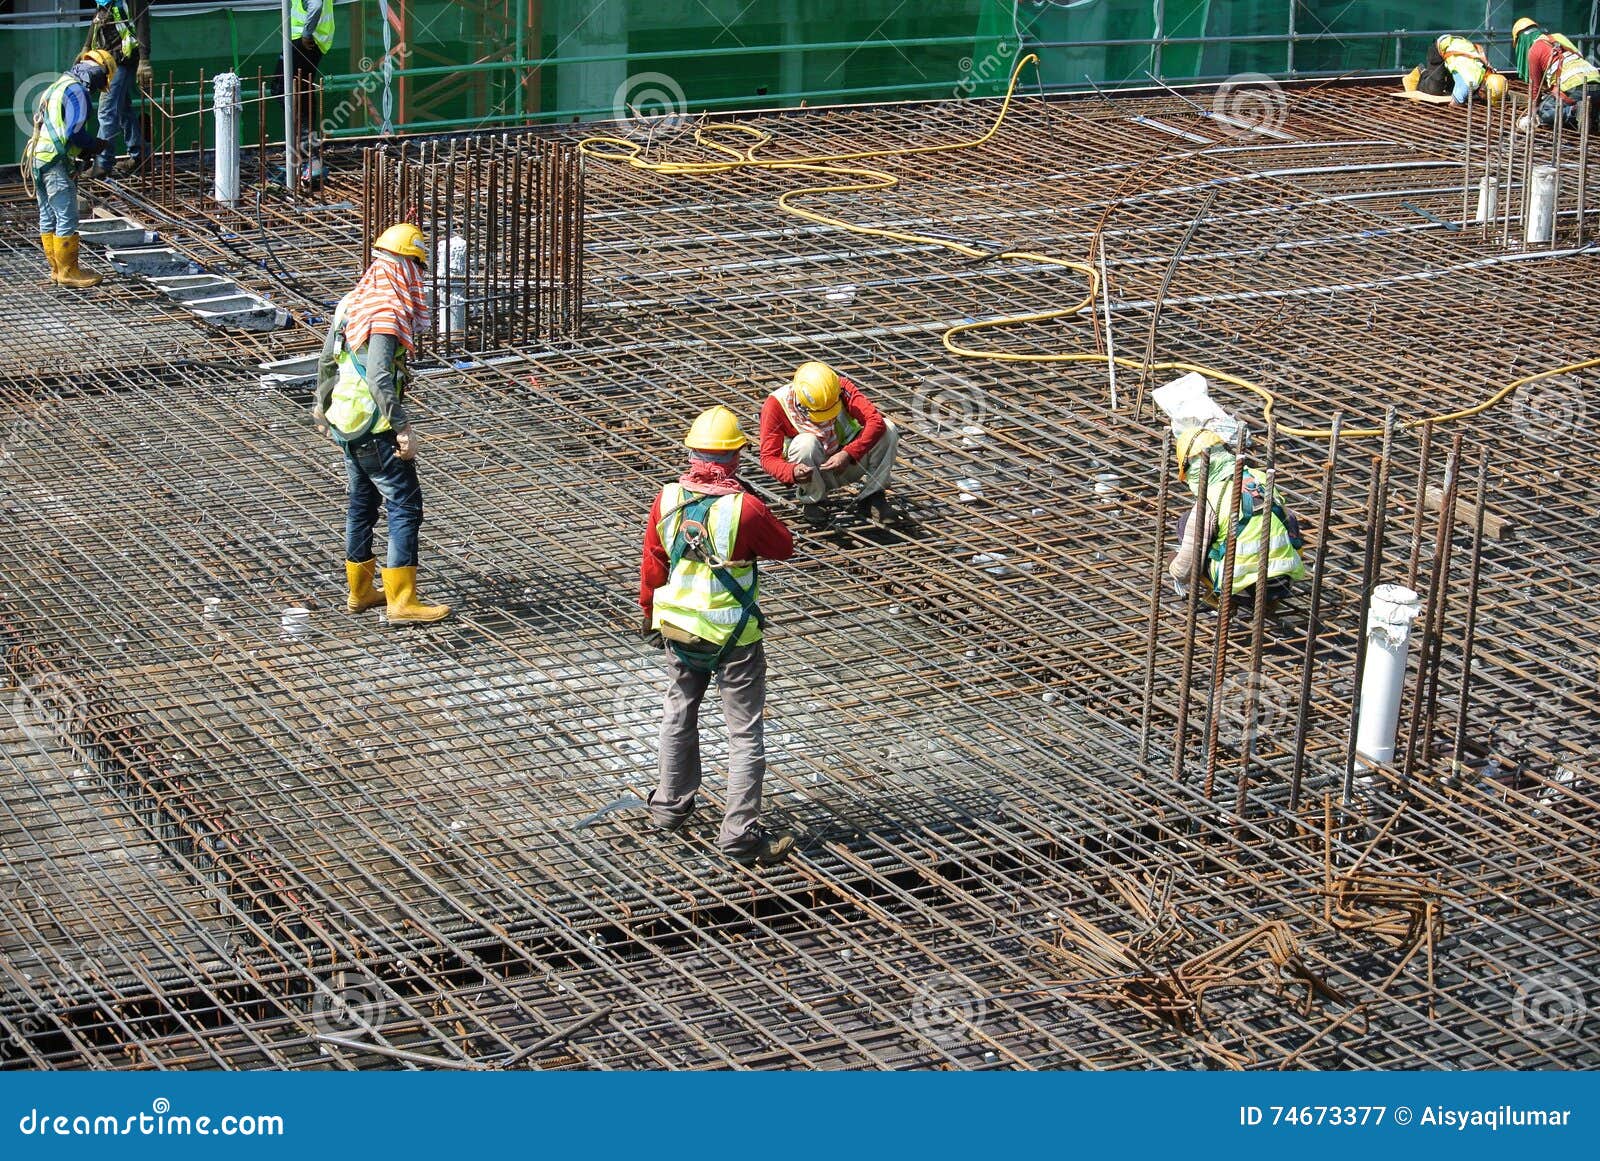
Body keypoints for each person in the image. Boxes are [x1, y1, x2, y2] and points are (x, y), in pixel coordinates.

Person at [640, 406, 796, 866]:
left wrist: (649, 615)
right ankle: (739, 836)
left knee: (678, 714)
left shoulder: (667, 498)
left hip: (680, 630)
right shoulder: (744, 507)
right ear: (735, 458)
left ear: (691, 452)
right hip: (734, 639)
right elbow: (783, 546)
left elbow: (653, 563)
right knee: (744, 734)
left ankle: (669, 807)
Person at [313, 222, 451, 625]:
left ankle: (359, 592)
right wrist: (403, 427)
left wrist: (321, 405)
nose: (418, 278)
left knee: (361, 504)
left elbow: (326, 360)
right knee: (405, 504)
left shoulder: (351, 301)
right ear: (406, 266)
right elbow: (377, 377)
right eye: (417, 268)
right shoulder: (386, 311)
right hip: (375, 425)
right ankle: (401, 601)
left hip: (347, 421)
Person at [1167, 428, 1305, 606]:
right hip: (1284, 583)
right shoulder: (1261, 478)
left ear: (1192, 471)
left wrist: (1173, 566)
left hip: (1244, 591)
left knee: (1187, 525)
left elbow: (1185, 571)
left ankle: (1221, 598)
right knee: (1281, 516)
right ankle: (1271, 604)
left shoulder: (1212, 499)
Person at [758, 360, 900, 528]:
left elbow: (875, 421)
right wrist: (793, 471)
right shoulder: (776, 405)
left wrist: (849, 453)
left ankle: (872, 497)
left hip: (848, 463)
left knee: (888, 429)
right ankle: (814, 500)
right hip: (813, 472)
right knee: (805, 443)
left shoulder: (839, 387)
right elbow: (768, 458)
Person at [25, 50, 113, 289]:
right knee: (66, 215)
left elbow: (56, 128)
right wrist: (94, 145)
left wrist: (81, 153)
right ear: (97, 74)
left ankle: (56, 269)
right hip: (53, 161)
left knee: (48, 215)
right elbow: (75, 131)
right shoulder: (77, 91)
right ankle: (68, 271)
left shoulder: (56, 86)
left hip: (39, 159)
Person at [87, 0, 151, 178]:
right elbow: (98, 19)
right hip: (107, 58)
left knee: (106, 111)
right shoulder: (104, 1)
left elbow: (142, 23)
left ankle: (102, 163)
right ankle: (140, 157)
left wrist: (144, 60)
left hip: (123, 59)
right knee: (123, 110)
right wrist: (86, 46)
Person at [1512, 17, 1600, 131]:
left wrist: (1532, 114)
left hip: (1576, 89)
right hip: (1597, 84)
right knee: (1591, 105)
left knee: (1544, 111)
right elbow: (1579, 55)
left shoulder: (1534, 50)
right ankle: (1595, 114)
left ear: (1521, 41)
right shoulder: (1558, 37)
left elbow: (1535, 89)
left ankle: (1574, 111)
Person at [287, 0, 335, 160]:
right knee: (303, 92)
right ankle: (306, 146)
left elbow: (315, 5)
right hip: (313, 39)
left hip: (304, 40)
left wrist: (306, 34)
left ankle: (306, 147)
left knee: (286, 90)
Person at [1404, 35, 1507, 105]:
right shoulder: (1469, 81)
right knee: (1434, 90)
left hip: (1457, 50)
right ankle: (1420, 72)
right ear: (1483, 90)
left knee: (1453, 89)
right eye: (1486, 98)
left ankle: (1448, 77)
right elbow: (1454, 104)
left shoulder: (1489, 73)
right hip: (1440, 48)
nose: (1485, 100)